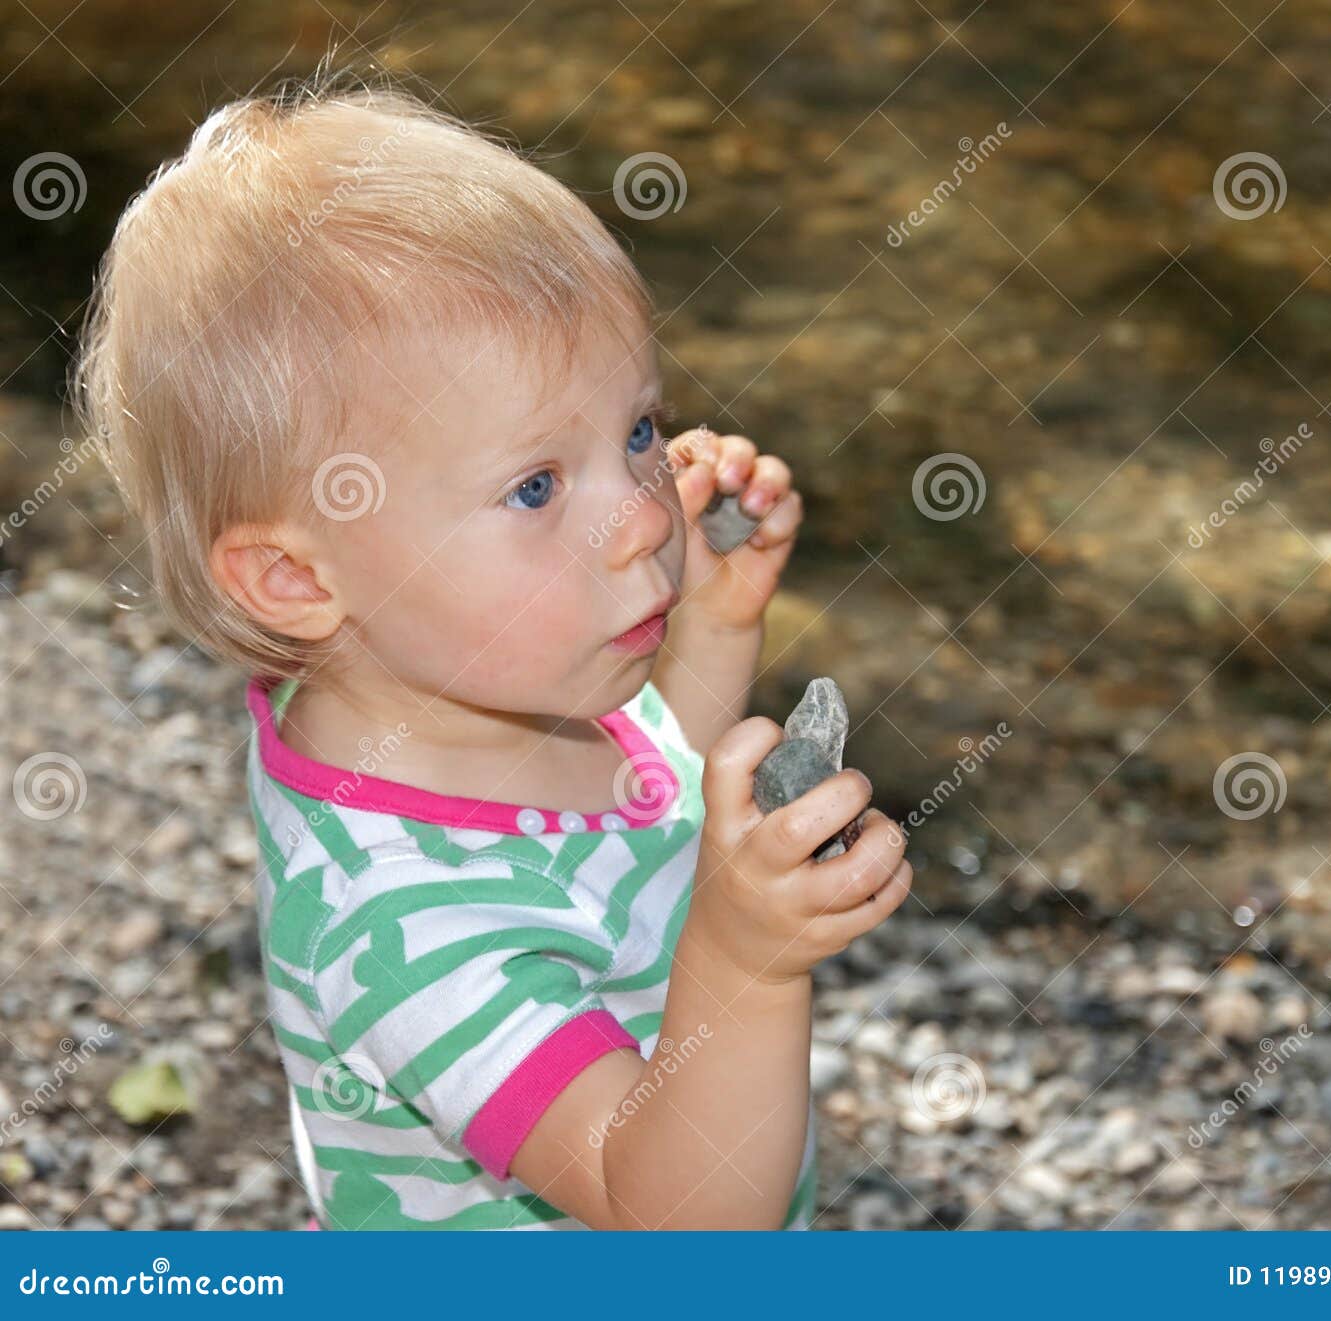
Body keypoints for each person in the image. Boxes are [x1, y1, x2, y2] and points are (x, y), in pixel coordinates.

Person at [71, 72, 913, 1230]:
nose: (650, 516)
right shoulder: (401, 923)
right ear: (297, 580)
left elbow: (647, 799)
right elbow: (680, 1221)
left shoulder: (468, 684)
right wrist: (750, 962)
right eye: (534, 485)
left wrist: (712, 625)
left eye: (635, 432)